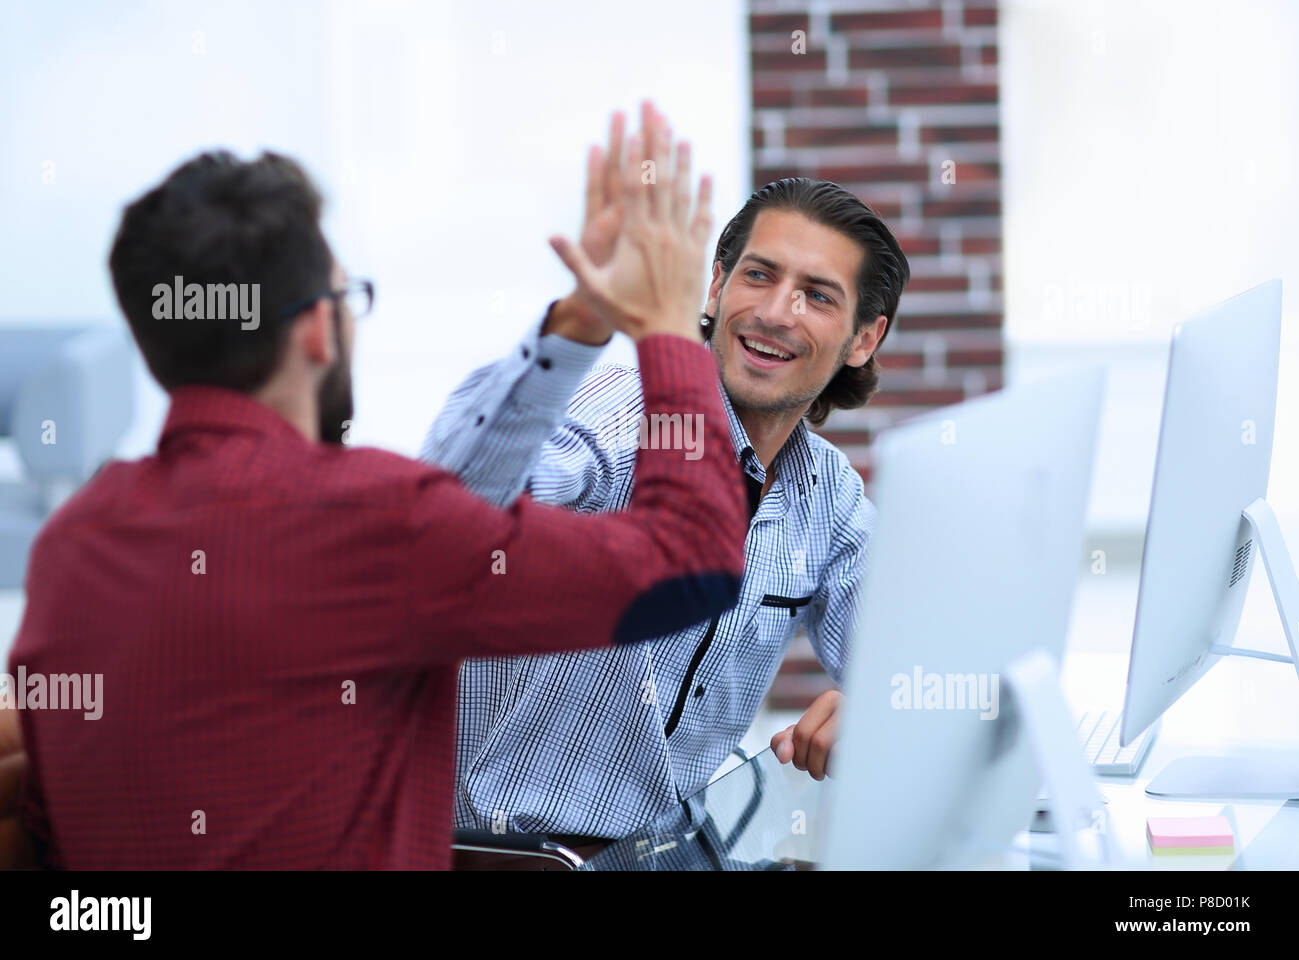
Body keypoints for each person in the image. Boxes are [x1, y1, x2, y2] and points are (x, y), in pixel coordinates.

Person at [4, 103, 747, 869]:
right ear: (319, 329)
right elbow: (692, 559)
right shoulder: (375, 520)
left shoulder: (70, 546)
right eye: (347, 295)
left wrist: (580, 321)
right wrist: (663, 327)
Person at [423, 146, 911, 853]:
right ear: (714, 288)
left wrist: (886, 707)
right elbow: (449, 506)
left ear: (865, 338)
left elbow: (923, 667)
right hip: (500, 859)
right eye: (759, 275)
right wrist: (581, 319)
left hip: (666, 857)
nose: (776, 312)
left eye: (818, 295)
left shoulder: (826, 496)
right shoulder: (623, 412)